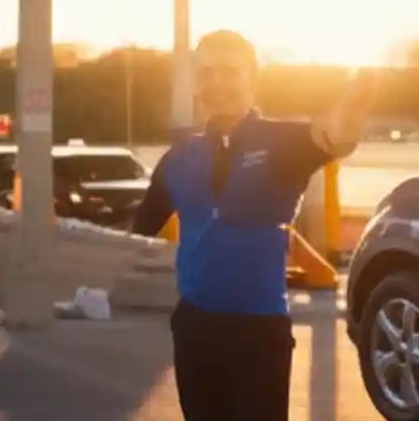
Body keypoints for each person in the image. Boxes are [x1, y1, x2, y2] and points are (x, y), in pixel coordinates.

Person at [131, 29, 375, 420]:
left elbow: (334, 138)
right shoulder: (178, 158)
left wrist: (354, 107)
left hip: (258, 330)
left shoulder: (282, 142)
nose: (217, 83)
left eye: (229, 72)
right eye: (206, 73)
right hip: (194, 330)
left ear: (252, 78)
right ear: (195, 81)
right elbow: (135, 236)